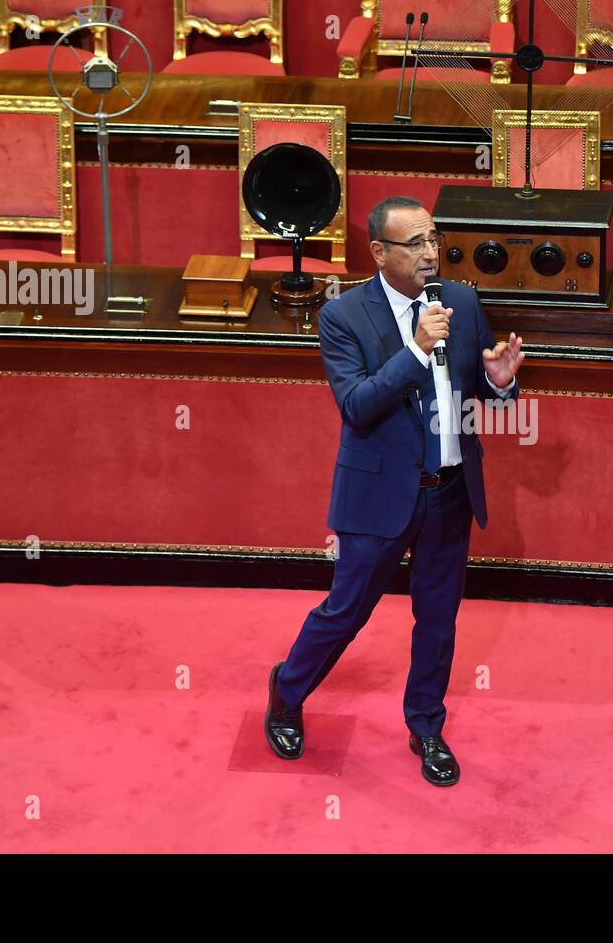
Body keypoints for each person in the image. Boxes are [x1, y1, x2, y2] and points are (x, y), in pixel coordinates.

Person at [265, 196, 524, 786]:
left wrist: (498, 382)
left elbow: (478, 387)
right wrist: (416, 350)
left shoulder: (460, 301)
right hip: (380, 494)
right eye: (416, 244)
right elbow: (357, 406)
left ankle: (426, 726)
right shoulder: (344, 316)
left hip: (450, 492)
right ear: (379, 252)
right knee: (346, 611)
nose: (431, 253)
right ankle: (288, 689)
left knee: (438, 620)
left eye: (434, 240)